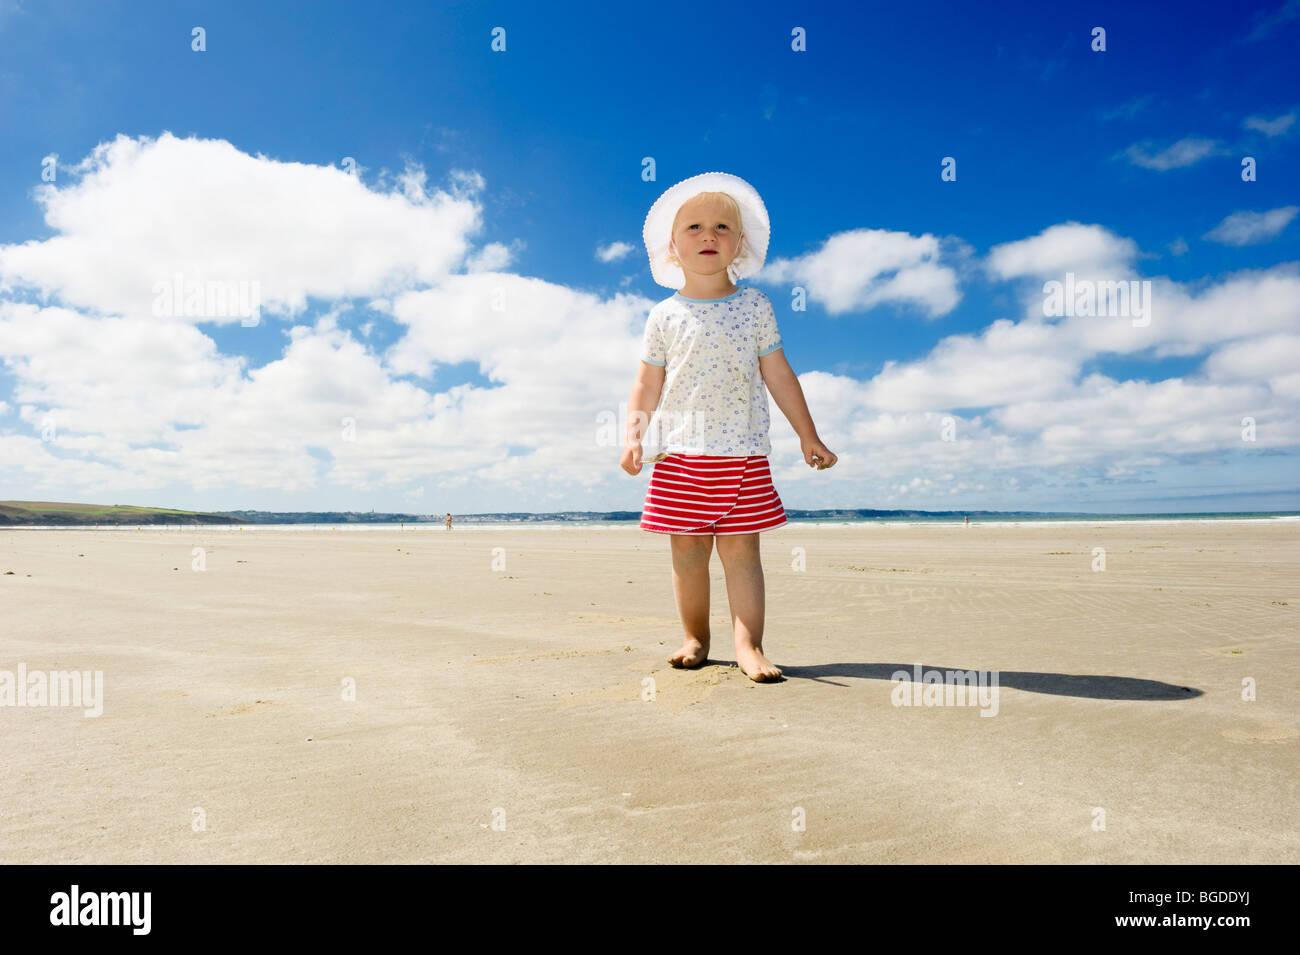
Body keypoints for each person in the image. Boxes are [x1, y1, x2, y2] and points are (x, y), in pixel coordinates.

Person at [620, 172, 837, 682]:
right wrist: (633, 435)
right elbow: (647, 384)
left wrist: (808, 434)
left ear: (740, 244)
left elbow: (779, 374)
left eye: (722, 226)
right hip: (679, 456)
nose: (708, 235)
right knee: (688, 554)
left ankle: (749, 645)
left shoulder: (754, 305)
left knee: (742, 554)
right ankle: (695, 637)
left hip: (743, 455)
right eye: (694, 227)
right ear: (672, 247)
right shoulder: (664, 315)